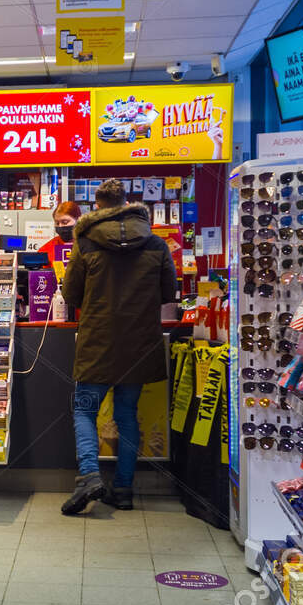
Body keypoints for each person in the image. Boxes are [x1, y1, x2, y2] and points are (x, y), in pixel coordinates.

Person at [60, 178, 177, 513]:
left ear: (97, 206)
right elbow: (169, 293)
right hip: (140, 342)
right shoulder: (156, 243)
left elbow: (70, 294)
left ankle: (90, 477)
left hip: (98, 340)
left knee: (84, 409)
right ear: (127, 203)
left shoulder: (85, 242)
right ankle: (123, 489)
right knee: (127, 415)